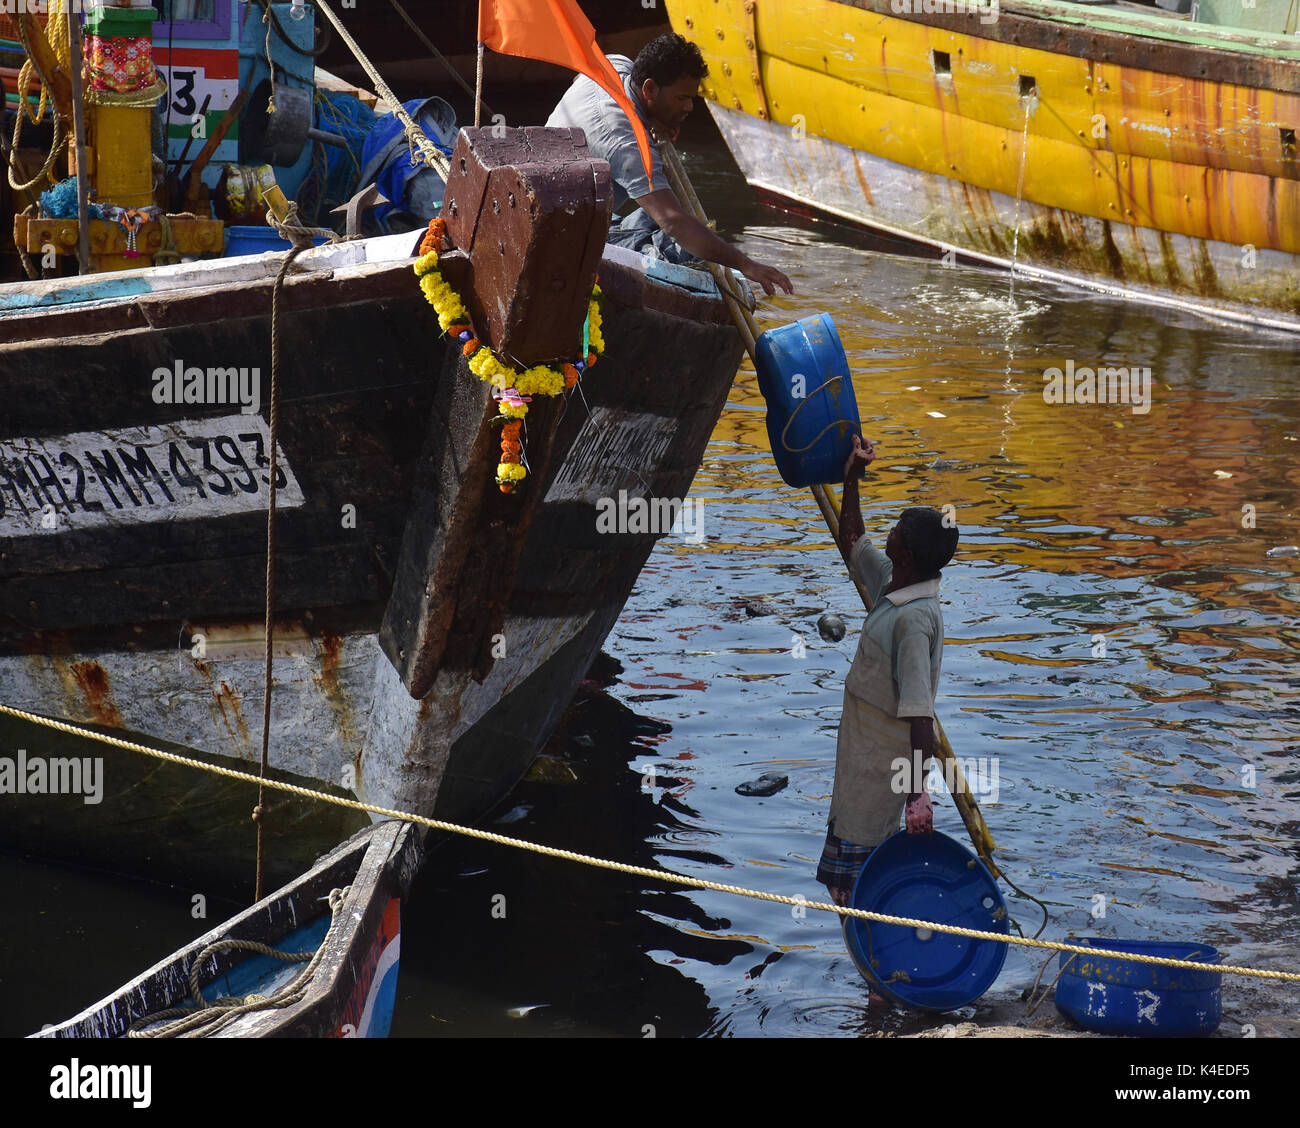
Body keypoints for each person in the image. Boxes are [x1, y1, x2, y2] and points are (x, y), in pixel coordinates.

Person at [817, 435, 960, 907]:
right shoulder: (894, 583)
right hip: (858, 759)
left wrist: (918, 795)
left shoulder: (914, 621)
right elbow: (853, 539)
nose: (890, 531)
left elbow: (920, 715)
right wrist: (851, 477)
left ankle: (881, 979)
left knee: (853, 891)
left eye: (897, 529)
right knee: (848, 886)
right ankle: (877, 979)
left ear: (907, 556)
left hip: (881, 773)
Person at [546, 32, 792, 296]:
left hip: (553, 202)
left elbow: (579, 80)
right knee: (677, 239)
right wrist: (746, 264)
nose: (689, 108)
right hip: (562, 238)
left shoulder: (613, 66)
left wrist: (648, 118)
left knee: (659, 222)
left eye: (691, 99)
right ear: (649, 89)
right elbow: (672, 221)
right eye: (681, 98)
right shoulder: (628, 145)